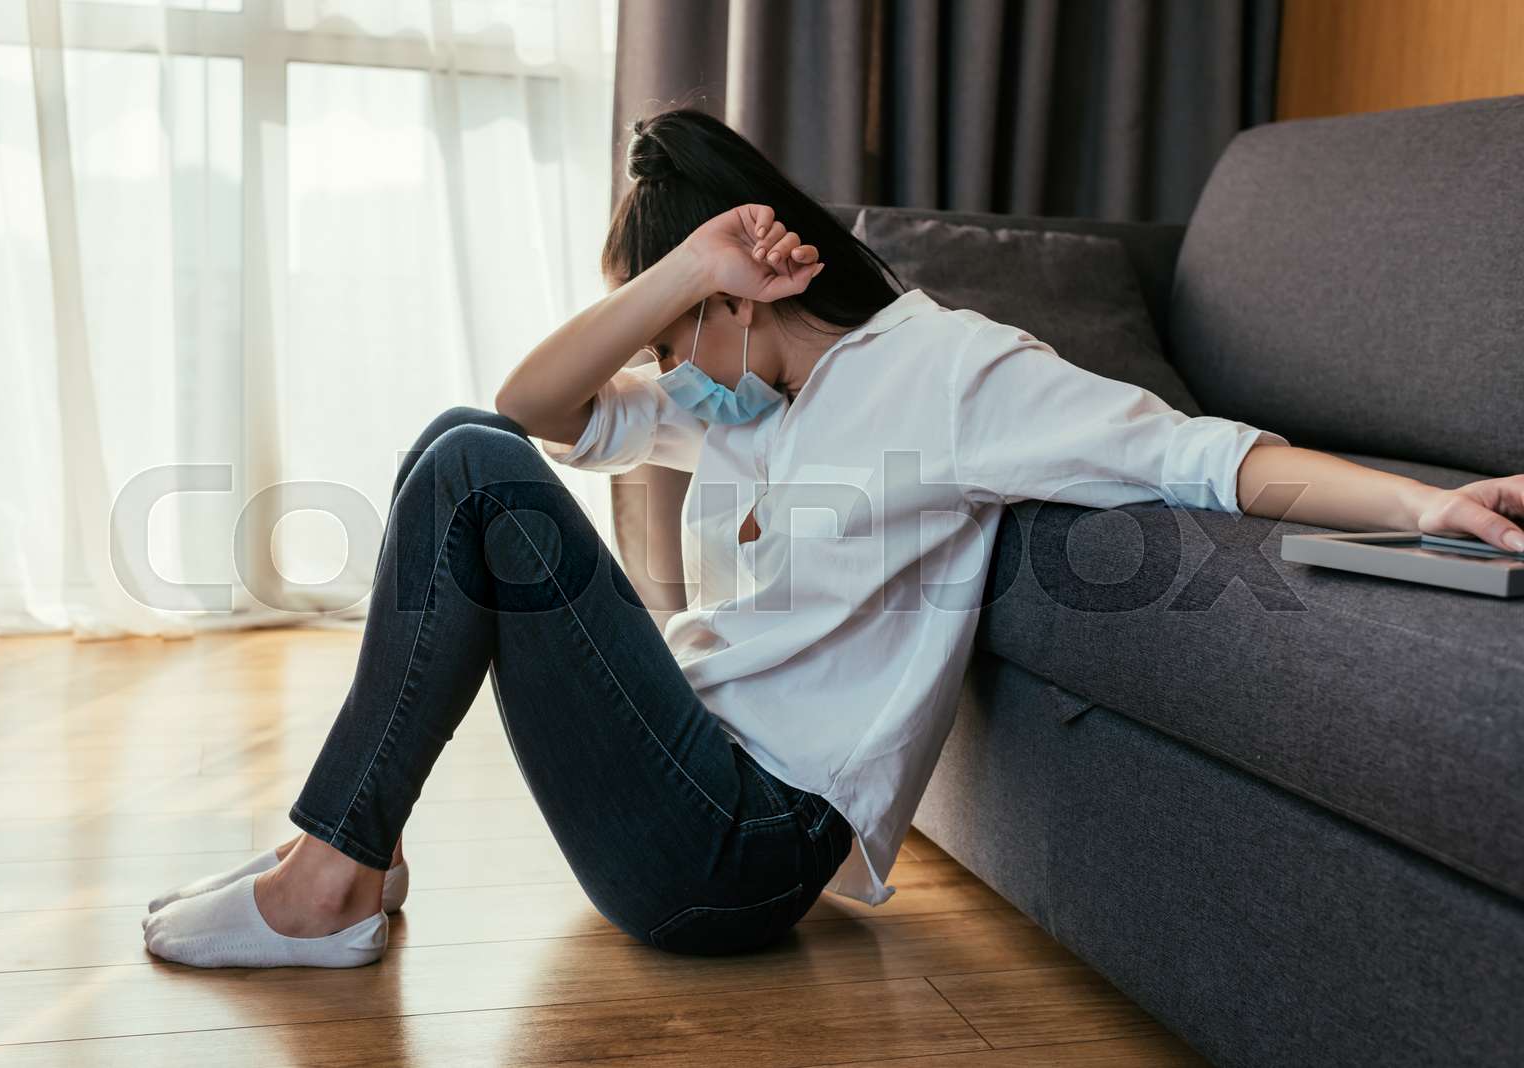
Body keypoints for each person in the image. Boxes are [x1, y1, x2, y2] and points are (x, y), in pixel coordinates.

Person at [142, 107, 1524, 968]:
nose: (670, 363)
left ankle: (329, 879)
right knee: (466, 444)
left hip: (739, 850)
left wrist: (1424, 504)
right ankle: (341, 866)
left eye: (680, 322)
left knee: (468, 466)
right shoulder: (741, 399)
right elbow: (528, 409)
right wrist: (677, 281)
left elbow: (1203, 454)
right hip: (684, 786)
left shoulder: (960, 376)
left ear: (747, 298)